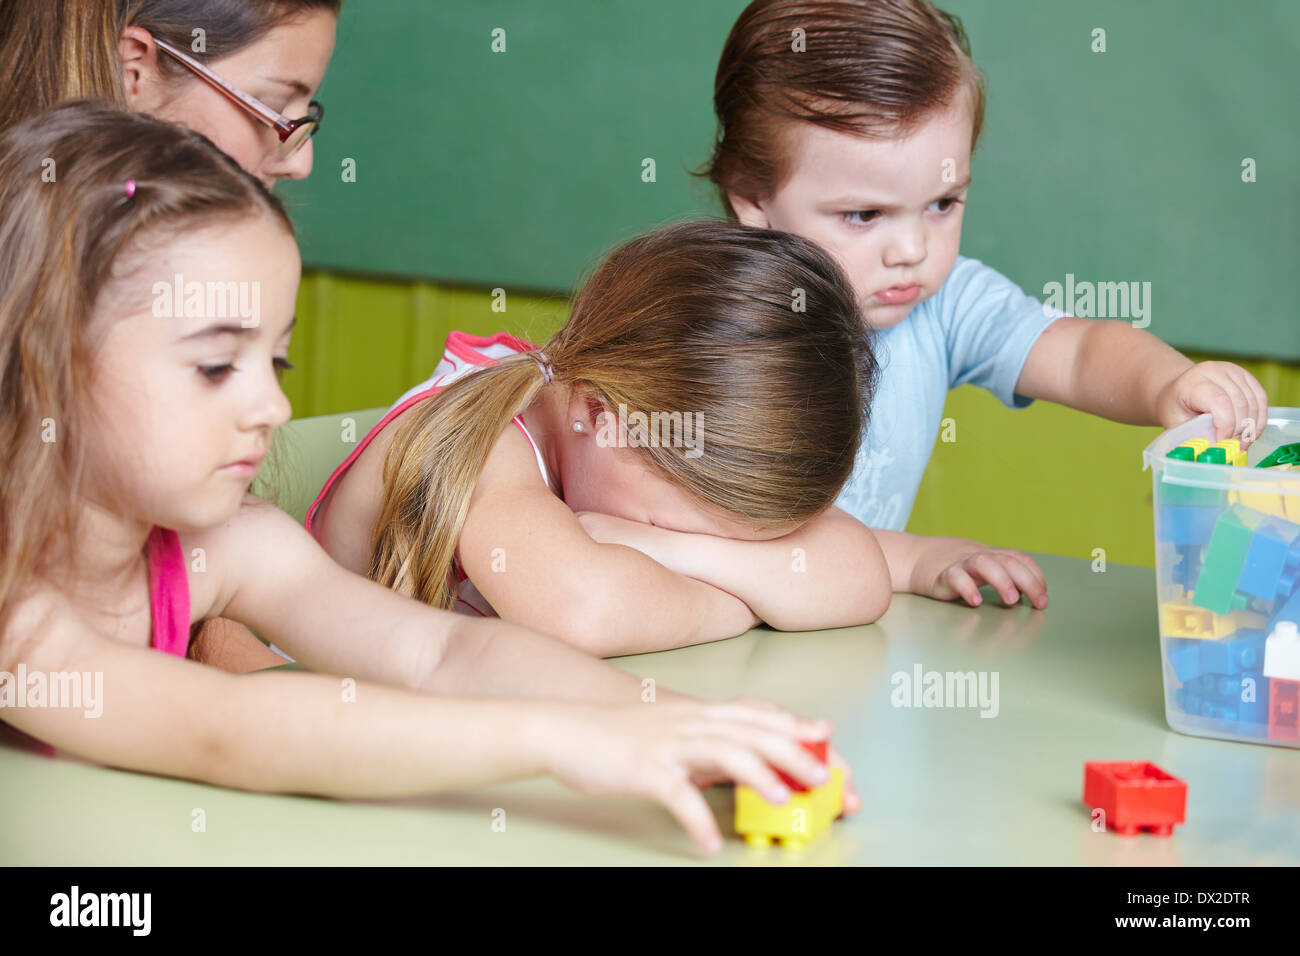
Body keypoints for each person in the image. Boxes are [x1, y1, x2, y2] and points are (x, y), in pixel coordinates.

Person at [0, 103, 849, 854]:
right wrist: (564, 743)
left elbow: (440, 650)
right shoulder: (16, 613)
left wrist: (671, 722)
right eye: (218, 364)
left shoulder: (227, 547)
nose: (271, 402)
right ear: (48, 368)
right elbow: (230, 730)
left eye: (278, 356)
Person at [698, 0, 1269, 608]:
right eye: (864, 215)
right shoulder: (701, 321)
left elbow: (1076, 353)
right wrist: (916, 560)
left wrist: (1167, 383)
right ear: (753, 200)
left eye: (943, 203)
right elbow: (740, 545)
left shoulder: (942, 304)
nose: (913, 250)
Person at [308, 221, 893, 653]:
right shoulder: (488, 444)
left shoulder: (611, 420)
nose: (655, 547)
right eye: (658, 528)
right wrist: (751, 603)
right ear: (600, 413)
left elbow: (859, 573)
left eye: (740, 546)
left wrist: (673, 551)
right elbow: (581, 610)